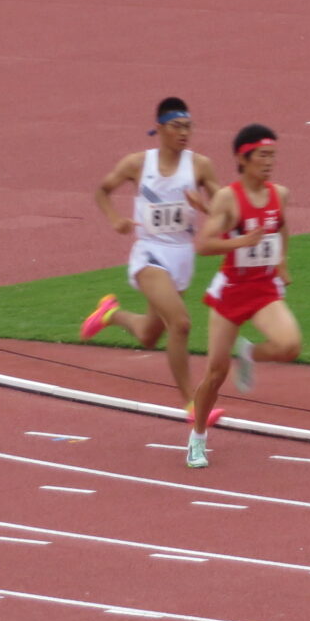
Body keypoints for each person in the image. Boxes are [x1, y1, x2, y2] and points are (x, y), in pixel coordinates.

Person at [80, 97, 219, 413]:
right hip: (150, 254)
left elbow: (225, 212)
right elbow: (103, 190)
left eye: (188, 126)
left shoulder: (200, 166)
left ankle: (110, 313)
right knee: (180, 325)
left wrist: (205, 207)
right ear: (158, 128)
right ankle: (192, 402)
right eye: (176, 126)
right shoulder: (138, 164)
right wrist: (115, 219)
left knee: (148, 335)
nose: (184, 133)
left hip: (182, 256)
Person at [185, 124, 301, 469]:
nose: (269, 162)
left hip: (263, 288)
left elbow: (281, 226)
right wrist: (241, 243)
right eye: (263, 155)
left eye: (273, 155)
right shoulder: (227, 198)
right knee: (216, 372)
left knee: (291, 346)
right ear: (242, 158)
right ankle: (198, 438)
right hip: (232, 290)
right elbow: (204, 244)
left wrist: (280, 261)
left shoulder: (280, 194)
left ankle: (249, 353)